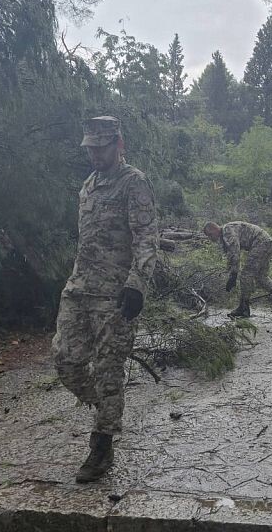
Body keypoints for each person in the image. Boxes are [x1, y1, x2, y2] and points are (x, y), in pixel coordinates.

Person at [51, 116, 158, 483]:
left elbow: (146, 238)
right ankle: (107, 406)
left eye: (101, 147)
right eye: (90, 148)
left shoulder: (134, 183)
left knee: (109, 369)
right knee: (66, 360)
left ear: (118, 144)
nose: (95, 154)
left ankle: (102, 444)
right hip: (79, 289)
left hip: (115, 295)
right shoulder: (88, 186)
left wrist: (137, 284)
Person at [203, 221, 272, 318]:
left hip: (261, 243)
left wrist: (233, 275)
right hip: (267, 243)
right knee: (261, 276)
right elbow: (230, 255)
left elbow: (235, 253)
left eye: (210, 234)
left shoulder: (227, 231)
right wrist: (231, 273)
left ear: (215, 229)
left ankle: (244, 307)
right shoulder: (225, 235)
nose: (210, 238)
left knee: (246, 275)